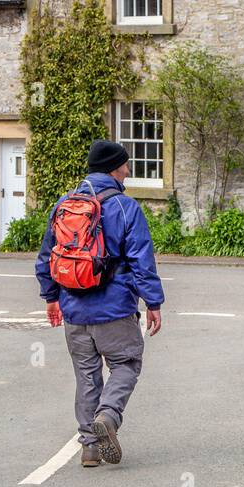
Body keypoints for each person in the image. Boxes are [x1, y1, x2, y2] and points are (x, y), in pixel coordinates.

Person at [35, 140, 164, 468]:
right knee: (126, 364)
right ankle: (107, 416)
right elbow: (141, 260)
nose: (128, 170)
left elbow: (47, 256)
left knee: (87, 375)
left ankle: (89, 448)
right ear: (114, 168)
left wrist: (51, 298)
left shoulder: (64, 203)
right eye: (125, 164)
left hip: (74, 308)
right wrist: (153, 302)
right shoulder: (125, 206)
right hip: (114, 309)